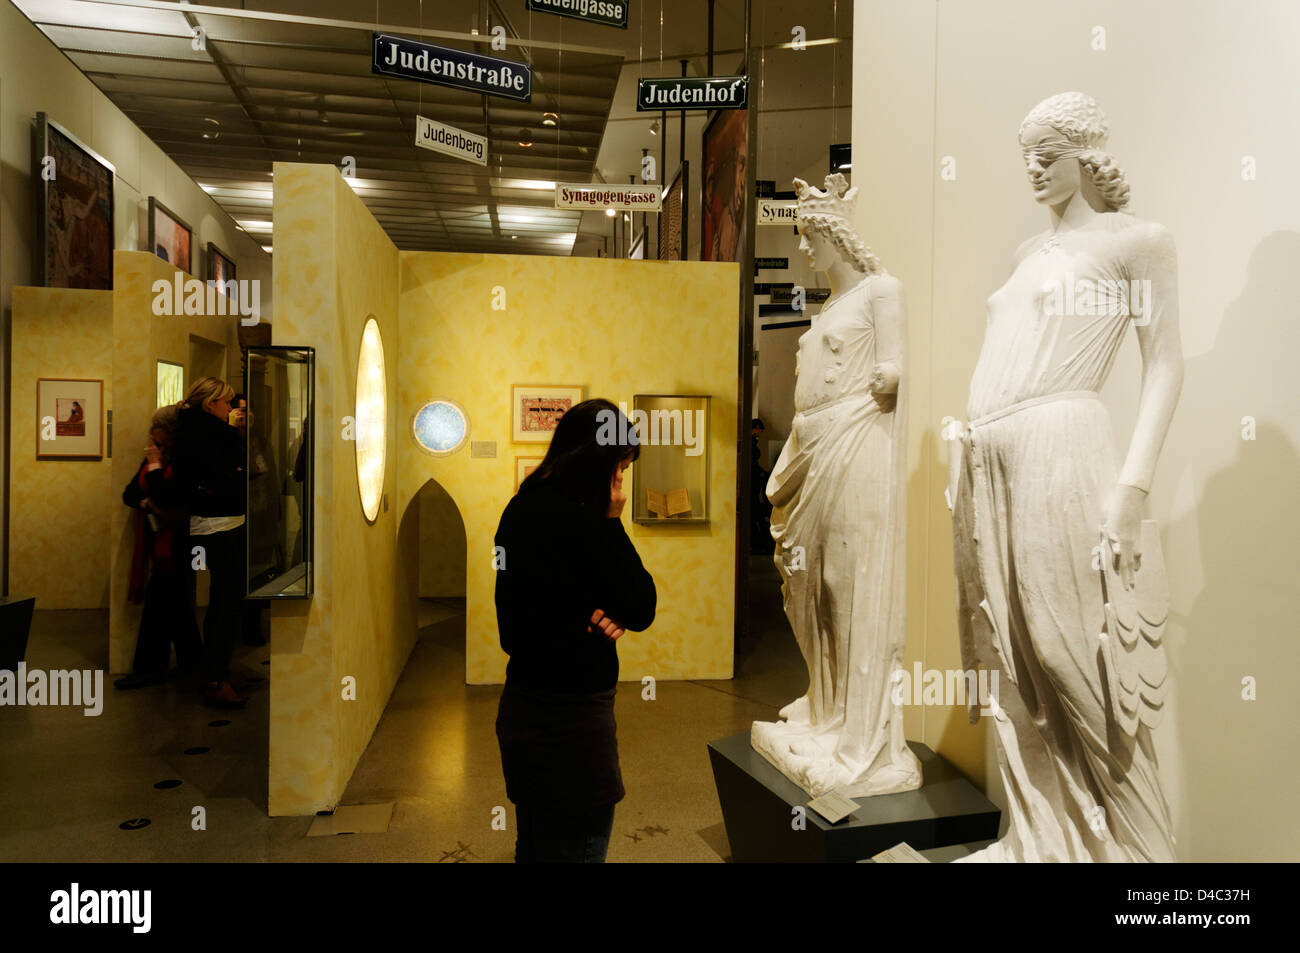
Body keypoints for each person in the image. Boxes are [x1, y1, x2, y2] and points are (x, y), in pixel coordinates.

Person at [950, 92, 1183, 861]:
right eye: (1026, 156)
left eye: (1048, 156)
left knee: (1075, 654)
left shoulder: (1136, 241)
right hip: (990, 457)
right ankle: (1043, 841)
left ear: (1086, 157)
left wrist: (1133, 486)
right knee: (1013, 655)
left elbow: (1165, 364)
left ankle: (1143, 859)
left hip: (1062, 446)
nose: (1034, 169)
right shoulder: (1029, 254)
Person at [493, 399, 657, 863]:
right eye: (620, 468)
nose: (621, 482)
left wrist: (587, 614)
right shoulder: (589, 521)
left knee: (534, 844)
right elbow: (642, 606)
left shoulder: (520, 508)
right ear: (599, 462)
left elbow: (514, 629)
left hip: (523, 705)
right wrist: (612, 525)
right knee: (582, 847)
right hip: (575, 717)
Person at [171, 377, 249, 709]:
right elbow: (223, 476)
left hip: (218, 523)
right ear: (210, 404)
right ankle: (217, 678)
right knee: (224, 604)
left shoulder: (193, 432)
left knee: (224, 603)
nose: (230, 407)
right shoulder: (206, 435)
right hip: (216, 526)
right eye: (226, 402)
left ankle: (218, 672)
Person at [116, 405, 203, 689]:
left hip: (179, 543)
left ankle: (152, 668)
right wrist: (145, 502)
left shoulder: (181, 459)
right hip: (158, 542)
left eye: (159, 430)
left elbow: (165, 496)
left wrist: (154, 467)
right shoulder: (155, 455)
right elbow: (130, 493)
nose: (153, 436)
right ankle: (191, 663)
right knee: (177, 606)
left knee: (163, 605)